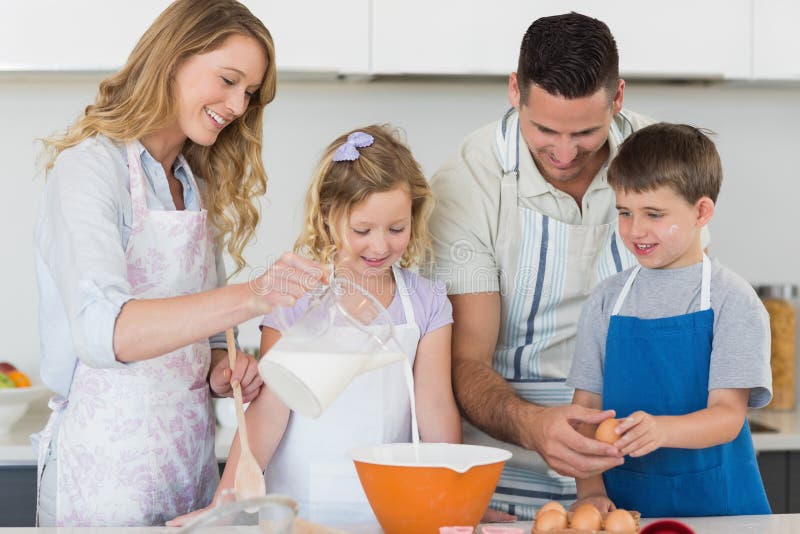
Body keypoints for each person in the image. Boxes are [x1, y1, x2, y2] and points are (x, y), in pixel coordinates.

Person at [33, 0, 324, 526]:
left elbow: (205, 336)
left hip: (187, 470)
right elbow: (106, 332)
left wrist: (220, 367)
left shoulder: (194, 182)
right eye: (229, 80)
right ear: (173, 58)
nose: (238, 105)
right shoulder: (88, 171)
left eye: (250, 93)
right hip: (105, 478)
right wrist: (255, 294)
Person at [425, 12, 665, 520]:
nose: (563, 152)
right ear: (515, 90)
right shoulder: (467, 182)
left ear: (617, 98)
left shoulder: (662, 162)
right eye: (544, 129)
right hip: (509, 475)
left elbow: (686, 307)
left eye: (585, 133)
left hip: (641, 463)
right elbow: (465, 360)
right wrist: (534, 425)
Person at [168, 124, 462, 527]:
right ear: (327, 218)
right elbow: (269, 410)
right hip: (300, 510)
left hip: (391, 511)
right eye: (362, 230)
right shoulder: (296, 298)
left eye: (397, 229)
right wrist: (227, 499)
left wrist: (455, 502)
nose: (380, 246)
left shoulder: (427, 304)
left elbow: (436, 409)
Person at [567, 123, 772, 517]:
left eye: (654, 214)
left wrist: (662, 431)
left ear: (701, 211)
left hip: (721, 510)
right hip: (625, 510)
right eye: (625, 212)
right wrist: (590, 490)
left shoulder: (734, 301)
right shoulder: (606, 301)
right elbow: (586, 414)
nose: (635, 230)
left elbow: (728, 416)